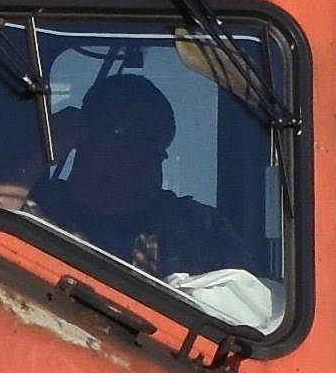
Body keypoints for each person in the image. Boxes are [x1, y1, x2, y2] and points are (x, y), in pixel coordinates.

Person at [34, 70, 268, 322]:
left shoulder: (200, 229)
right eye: (124, 135)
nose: (137, 157)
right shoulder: (34, 211)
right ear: (83, 133)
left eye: (153, 146)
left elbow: (253, 318)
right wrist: (39, 152)